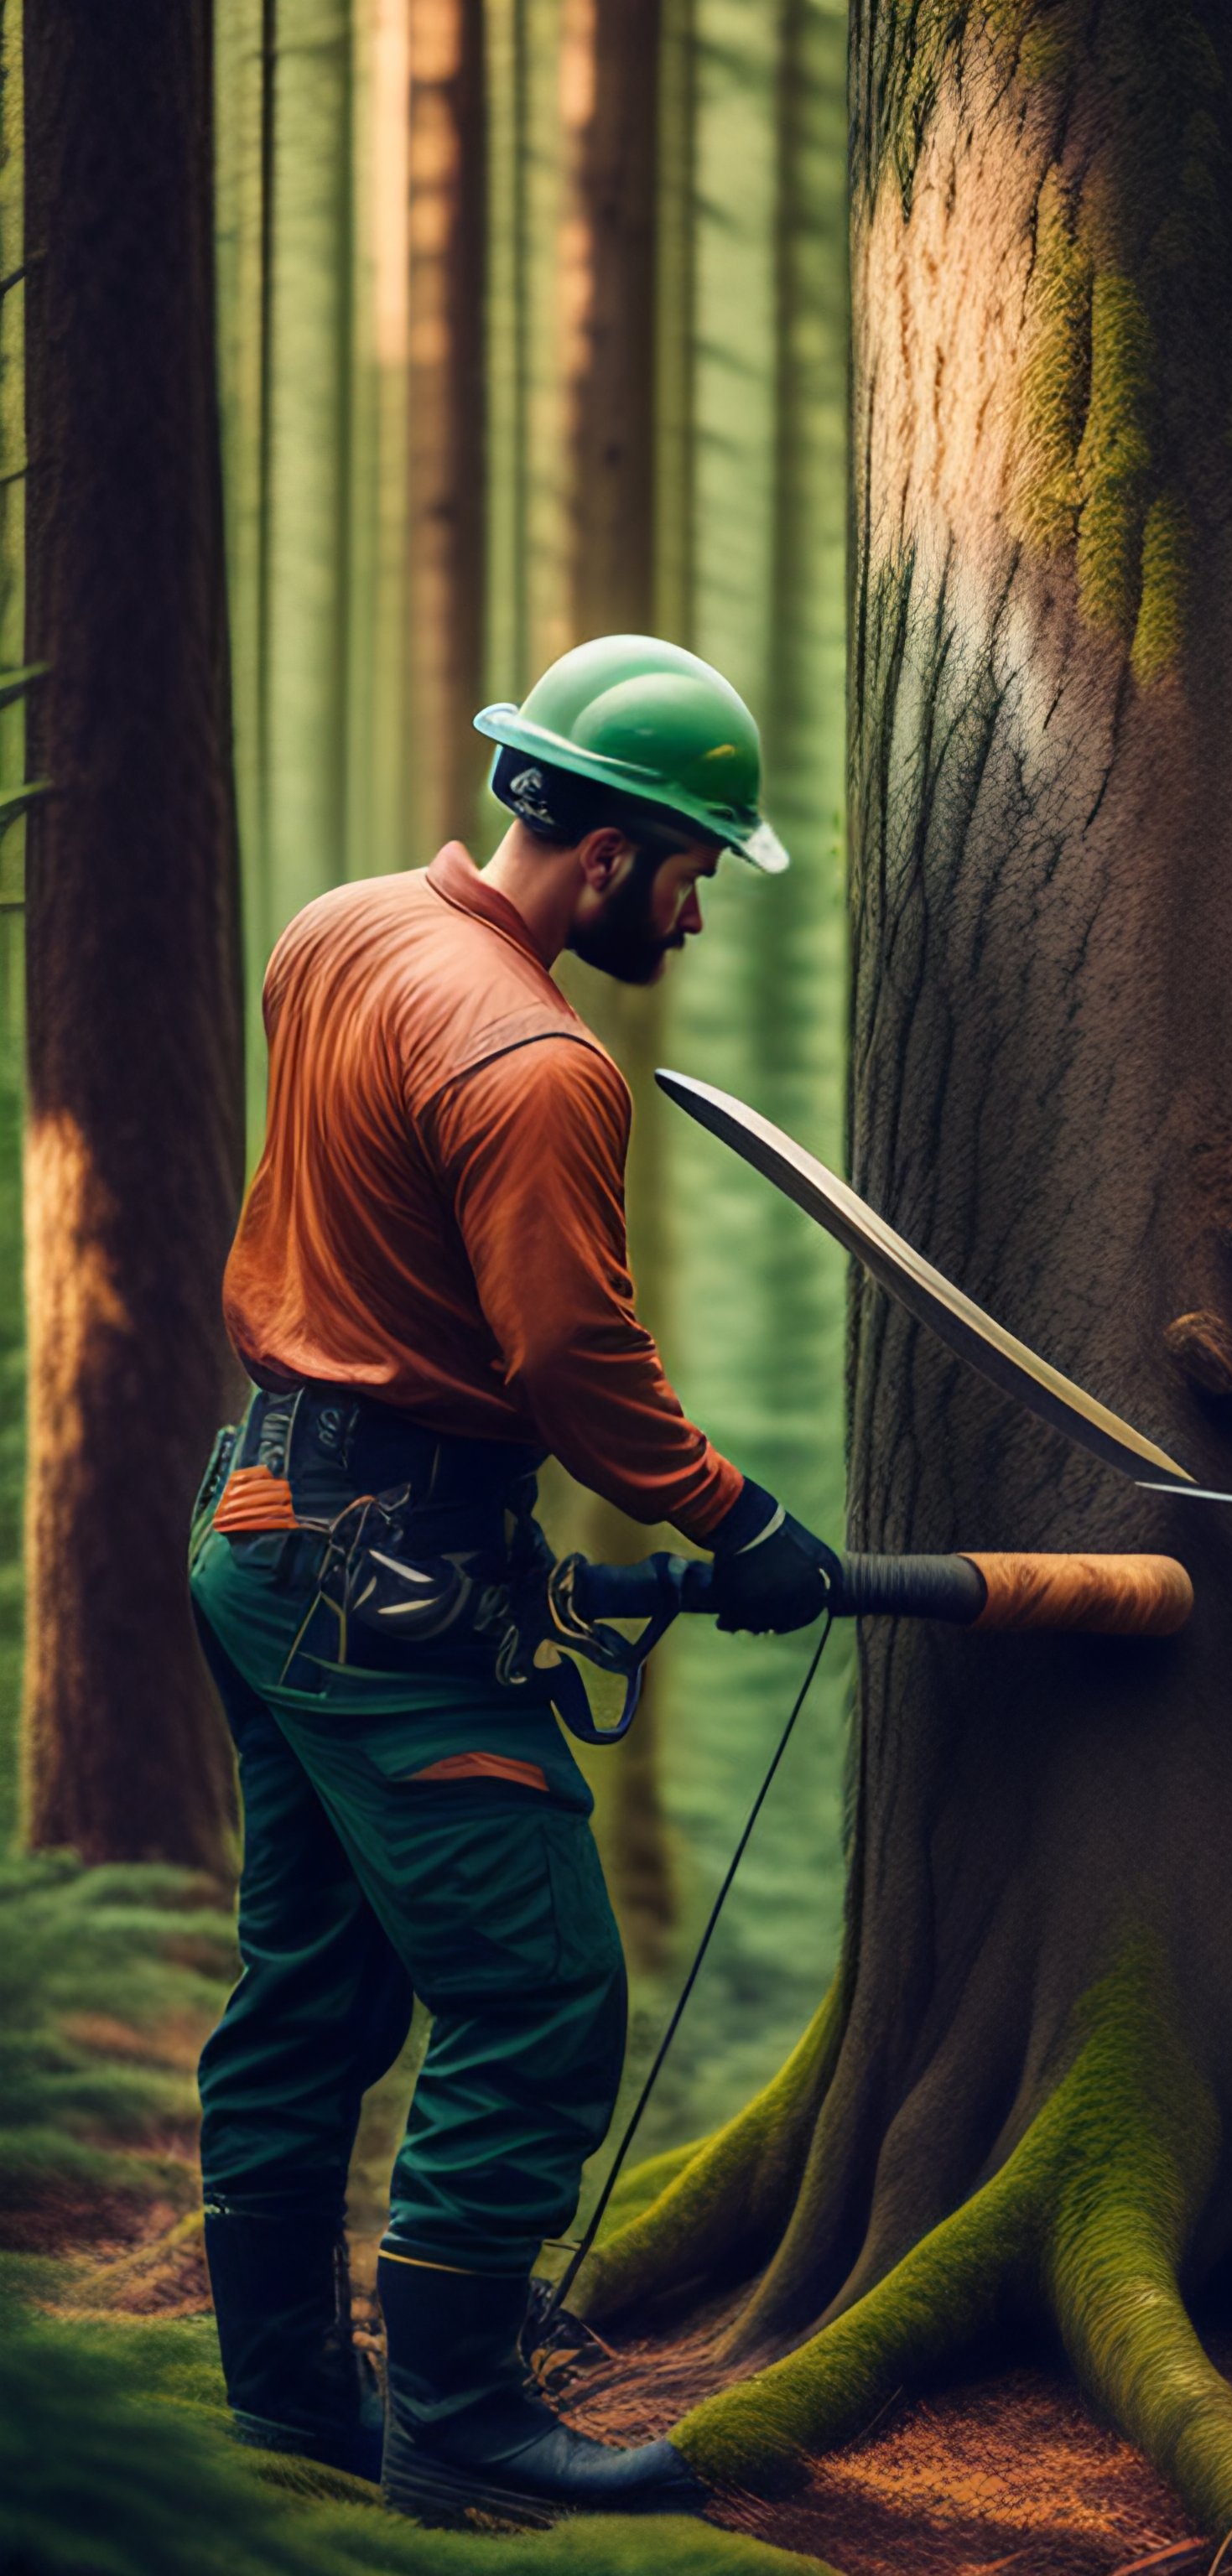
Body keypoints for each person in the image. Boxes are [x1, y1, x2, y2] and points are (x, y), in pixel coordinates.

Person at [189, 634, 839, 2527]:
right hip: (388, 1587)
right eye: (697, 865)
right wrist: (740, 1524)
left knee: (306, 1989)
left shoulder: (342, 928)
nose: (700, 909)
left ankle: (289, 2401)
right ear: (614, 848)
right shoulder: (540, 1061)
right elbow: (576, 1368)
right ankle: (460, 2420)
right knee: (543, 1990)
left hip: (260, 1525)